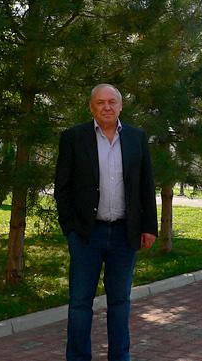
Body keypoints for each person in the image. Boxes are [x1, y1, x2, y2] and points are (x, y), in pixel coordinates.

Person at [54, 84, 158, 361]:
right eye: (100, 103)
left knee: (120, 302)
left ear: (121, 106)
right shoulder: (74, 138)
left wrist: (149, 227)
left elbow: (146, 185)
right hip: (87, 235)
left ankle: (119, 357)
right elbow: (61, 187)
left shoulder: (136, 138)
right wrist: (70, 229)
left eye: (112, 102)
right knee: (79, 303)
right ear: (92, 107)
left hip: (125, 234)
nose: (107, 107)